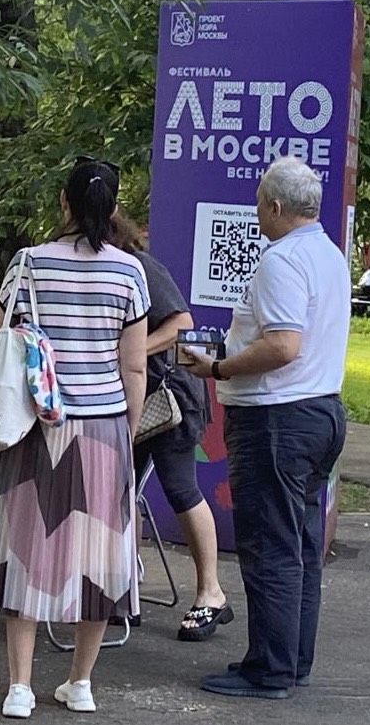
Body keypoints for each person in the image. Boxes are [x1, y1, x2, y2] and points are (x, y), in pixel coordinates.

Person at [0, 159, 149, 718]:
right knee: (99, 556)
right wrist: (124, 433)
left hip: (34, 426)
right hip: (104, 427)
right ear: (112, 210)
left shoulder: (29, 264)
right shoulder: (129, 274)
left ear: (63, 204)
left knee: (25, 549)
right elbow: (133, 369)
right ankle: (80, 683)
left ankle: (19, 688)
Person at [181, 156, 349, 699]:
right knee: (299, 545)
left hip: (276, 418)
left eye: (259, 203)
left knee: (270, 547)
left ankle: (269, 670)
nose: (256, 212)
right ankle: (291, 660)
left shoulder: (282, 259)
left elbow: (282, 345)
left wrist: (219, 367)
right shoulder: (328, 254)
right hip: (320, 411)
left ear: (276, 207)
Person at [111, 218, 232, 641]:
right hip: (135, 398)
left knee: (180, 488)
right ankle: (124, 590)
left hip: (170, 397)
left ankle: (211, 593)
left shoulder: (140, 267)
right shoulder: (111, 268)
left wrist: (133, 349)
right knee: (119, 491)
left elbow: (181, 322)